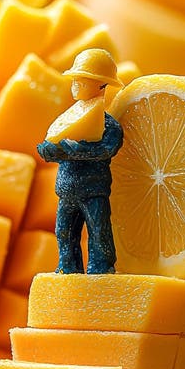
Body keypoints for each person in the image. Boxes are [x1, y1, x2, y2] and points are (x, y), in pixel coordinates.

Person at [37, 49, 124, 275]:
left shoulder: (109, 126)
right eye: (75, 80)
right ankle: (68, 267)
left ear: (101, 86)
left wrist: (72, 149)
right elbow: (55, 148)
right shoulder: (69, 120)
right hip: (67, 191)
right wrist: (51, 150)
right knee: (64, 232)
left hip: (93, 190)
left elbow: (105, 150)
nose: (75, 85)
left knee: (98, 231)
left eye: (82, 80)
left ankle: (102, 268)